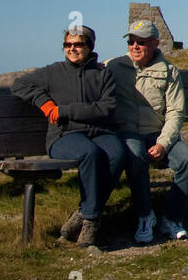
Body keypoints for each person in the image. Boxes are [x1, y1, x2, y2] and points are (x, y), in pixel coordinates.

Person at [10, 26, 125, 246]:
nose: (72, 49)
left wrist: (63, 110)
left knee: (118, 153)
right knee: (89, 154)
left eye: (78, 44)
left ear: (90, 47)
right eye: (68, 44)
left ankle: (84, 211)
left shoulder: (103, 74)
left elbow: (106, 108)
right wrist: (45, 103)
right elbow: (19, 85)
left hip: (100, 132)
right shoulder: (54, 72)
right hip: (64, 136)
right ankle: (91, 220)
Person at [106, 20, 188, 242]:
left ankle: (172, 218)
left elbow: (176, 112)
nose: (135, 46)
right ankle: (145, 217)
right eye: (131, 42)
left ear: (155, 43)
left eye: (142, 42)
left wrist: (164, 143)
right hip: (128, 133)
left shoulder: (169, 72)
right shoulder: (112, 66)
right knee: (135, 156)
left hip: (157, 133)